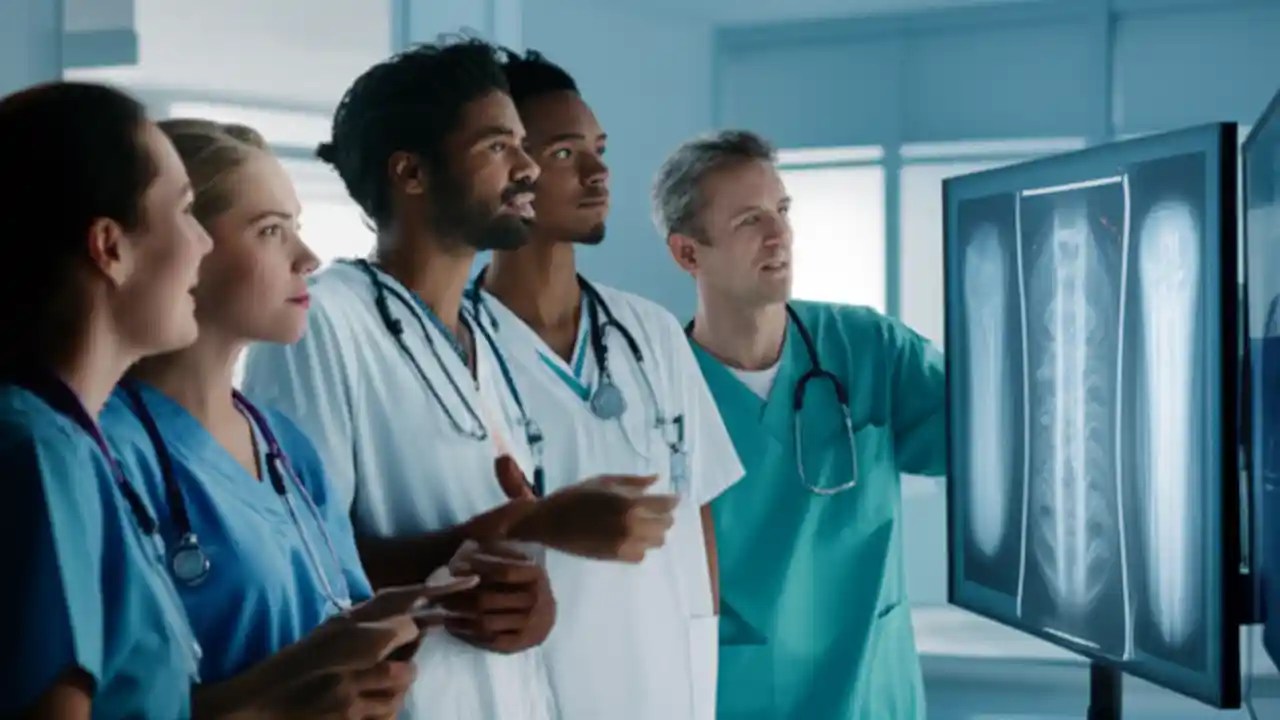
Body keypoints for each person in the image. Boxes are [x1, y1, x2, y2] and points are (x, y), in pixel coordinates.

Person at [241, 38, 679, 718]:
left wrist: (529, 605)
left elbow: (492, 558)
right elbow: (298, 567)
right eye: (498, 147)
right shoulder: (324, 322)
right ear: (411, 173)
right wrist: (524, 524)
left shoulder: (483, 341)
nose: (529, 167)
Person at [101, 118, 480, 719]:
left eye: (296, 227)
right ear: (183, 243)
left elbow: (337, 619)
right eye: (270, 230)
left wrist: (408, 613)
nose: (308, 258)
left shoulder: (286, 448)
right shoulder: (108, 455)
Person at [468, 49, 744, 720]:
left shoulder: (649, 332)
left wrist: (702, 639)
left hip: (671, 684)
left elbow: (698, 508)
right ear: (509, 168)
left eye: (600, 148)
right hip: (542, 685)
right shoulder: (458, 349)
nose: (599, 173)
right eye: (566, 153)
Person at [654, 130, 946, 720]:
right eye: (748, 220)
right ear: (688, 254)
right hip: (747, 700)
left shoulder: (868, 348)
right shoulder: (661, 393)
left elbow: (992, 440)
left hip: (873, 694)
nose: (779, 235)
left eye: (782, 210)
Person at [0, 81, 211, 718]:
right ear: (110, 247)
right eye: (185, 210)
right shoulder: (38, 452)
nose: (202, 243)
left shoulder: (74, 445)